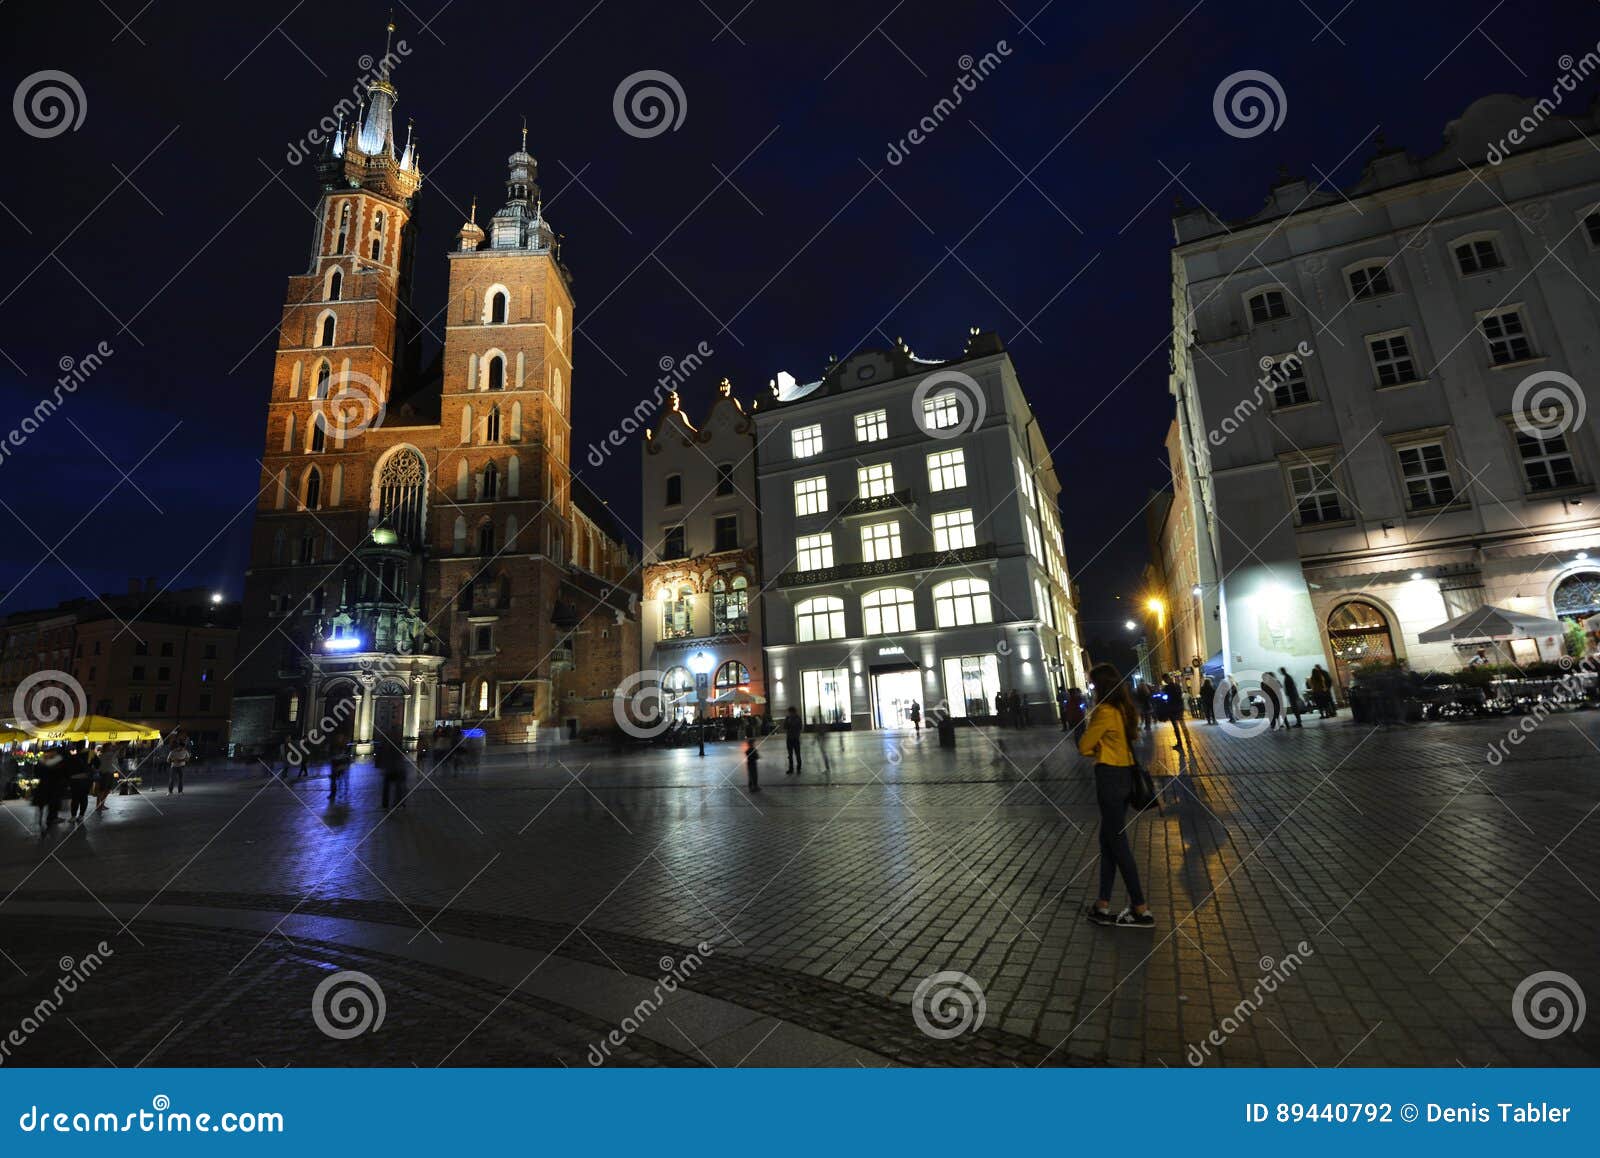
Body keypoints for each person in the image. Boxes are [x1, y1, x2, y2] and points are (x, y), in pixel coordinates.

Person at [1080, 664, 1155, 929]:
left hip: (1109, 779)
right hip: (1125, 778)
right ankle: (1102, 904)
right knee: (1108, 842)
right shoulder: (1124, 710)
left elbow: (1084, 746)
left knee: (1118, 844)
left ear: (1099, 686)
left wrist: (1099, 750)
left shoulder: (1103, 711)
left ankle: (1141, 908)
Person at [1162, 673, 1191, 755]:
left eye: (1164, 680)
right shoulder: (1177, 685)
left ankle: (1179, 743)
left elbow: (1165, 698)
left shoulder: (1167, 688)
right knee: (1182, 725)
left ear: (1166, 679)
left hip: (1172, 709)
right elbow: (1180, 695)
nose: (1165, 681)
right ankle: (1188, 741)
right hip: (1179, 708)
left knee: (1176, 727)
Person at [377, 734, 407, 809]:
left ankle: (387, 803)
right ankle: (397, 803)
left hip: (392, 768)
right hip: (395, 769)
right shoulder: (394, 746)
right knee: (398, 787)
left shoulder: (387, 746)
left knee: (391, 786)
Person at [65, 747, 92, 823]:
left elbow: (68, 771)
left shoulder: (74, 758)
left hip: (76, 782)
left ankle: (74, 816)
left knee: (75, 799)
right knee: (83, 799)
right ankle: (81, 816)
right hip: (85, 782)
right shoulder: (89, 758)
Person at [784, 707, 803, 774]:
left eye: (791, 712)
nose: (790, 714)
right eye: (789, 712)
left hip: (795, 738)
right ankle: (791, 768)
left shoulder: (798, 718)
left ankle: (798, 768)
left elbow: (800, 727)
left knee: (797, 754)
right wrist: (787, 721)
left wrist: (791, 723)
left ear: (794, 712)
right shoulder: (788, 718)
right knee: (790, 754)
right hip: (789, 739)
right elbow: (785, 727)